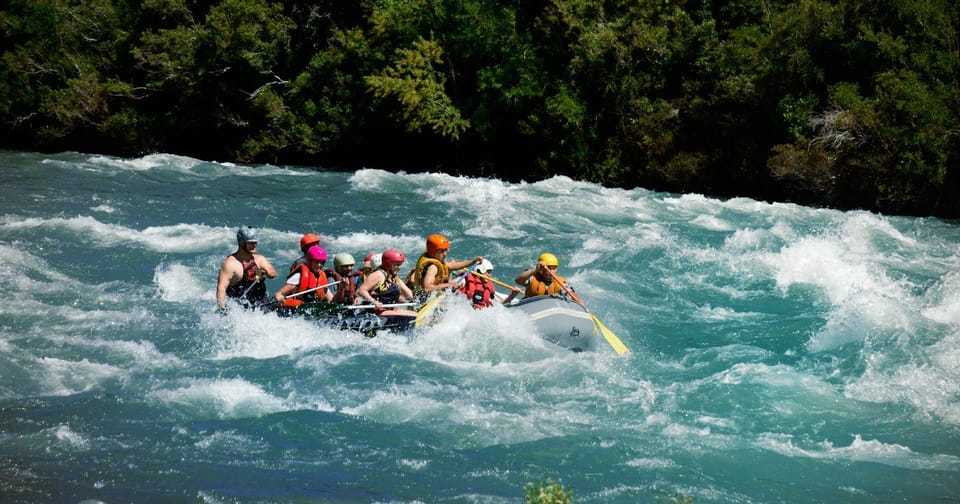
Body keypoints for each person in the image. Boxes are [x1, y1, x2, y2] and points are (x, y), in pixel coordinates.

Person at [216, 226, 278, 310]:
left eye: (255, 242)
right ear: (241, 243)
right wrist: (222, 309)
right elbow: (221, 288)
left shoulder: (260, 259)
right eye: (251, 242)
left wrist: (268, 272)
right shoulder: (230, 264)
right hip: (241, 308)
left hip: (261, 304)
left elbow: (272, 273)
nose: (254, 245)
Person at [406, 234, 483, 298]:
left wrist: (473, 261)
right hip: (425, 301)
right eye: (442, 251)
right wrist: (449, 284)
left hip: (430, 296)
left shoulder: (436, 260)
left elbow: (452, 266)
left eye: (446, 250)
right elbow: (427, 288)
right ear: (433, 251)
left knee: (456, 274)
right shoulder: (433, 267)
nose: (445, 254)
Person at [358, 249, 418, 317]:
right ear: (388, 263)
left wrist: (416, 301)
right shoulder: (378, 275)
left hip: (390, 310)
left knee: (417, 314)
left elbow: (408, 293)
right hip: (377, 312)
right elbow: (361, 290)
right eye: (397, 265)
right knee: (414, 316)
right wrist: (374, 301)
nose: (399, 268)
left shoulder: (393, 277)